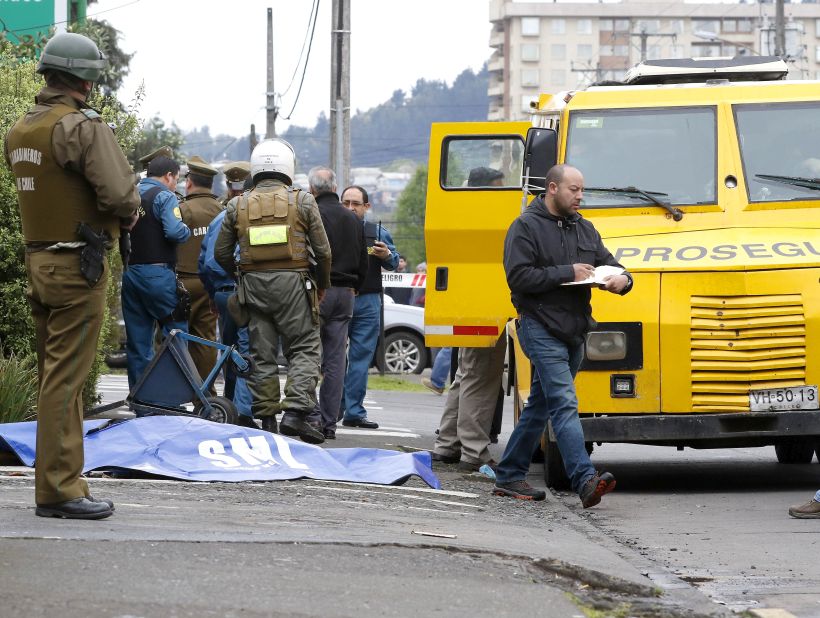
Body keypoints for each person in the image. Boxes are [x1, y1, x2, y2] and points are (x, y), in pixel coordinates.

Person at [3, 32, 140, 519]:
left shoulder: (21, 129)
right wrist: (131, 208)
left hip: (38, 262)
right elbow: (121, 195)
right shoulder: (81, 127)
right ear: (85, 79)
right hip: (77, 266)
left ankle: (65, 480)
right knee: (66, 379)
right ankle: (59, 489)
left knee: (53, 376)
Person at [493, 164, 633, 508]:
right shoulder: (525, 226)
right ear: (552, 188)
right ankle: (584, 480)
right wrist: (565, 272)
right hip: (538, 325)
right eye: (574, 189)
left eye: (583, 190)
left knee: (540, 405)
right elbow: (519, 278)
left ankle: (510, 473)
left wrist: (623, 280)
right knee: (564, 403)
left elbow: (610, 264)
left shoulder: (584, 228)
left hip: (575, 329)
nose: (580, 196)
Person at [215, 138, 331, 444]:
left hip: (252, 286)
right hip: (295, 285)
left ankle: (267, 418)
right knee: (305, 346)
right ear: (287, 167)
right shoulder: (303, 201)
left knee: (261, 353)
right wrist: (322, 285)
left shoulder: (236, 205)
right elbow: (324, 252)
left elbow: (221, 254)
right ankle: (295, 412)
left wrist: (240, 277)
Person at [429, 166, 508, 471]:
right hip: (486, 306)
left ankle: (448, 443)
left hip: (466, 304)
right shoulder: (489, 218)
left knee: (465, 375)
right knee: (481, 376)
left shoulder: (460, 212)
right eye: (500, 187)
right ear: (487, 189)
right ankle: (474, 451)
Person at [306, 166, 368, 440]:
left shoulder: (310, 213)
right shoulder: (354, 219)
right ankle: (330, 423)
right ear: (334, 188)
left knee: (307, 354)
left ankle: (310, 416)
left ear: (312, 189)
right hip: (345, 294)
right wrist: (356, 287)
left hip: (316, 291)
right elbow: (363, 261)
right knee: (335, 361)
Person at [122, 155, 191, 390]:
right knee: (176, 335)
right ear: (169, 176)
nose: (175, 185)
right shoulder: (164, 196)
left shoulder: (131, 193)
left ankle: (142, 401)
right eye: (176, 180)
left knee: (138, 343)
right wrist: (186, 230)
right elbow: (174, 231)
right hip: (158, 275)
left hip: (131, 274)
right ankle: (173, 397)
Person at [341, 185, 399, 429]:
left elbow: (394, 262)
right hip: (338, 298)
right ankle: (330, 409)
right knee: (331, 358)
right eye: (346, 203)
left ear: (366, 207)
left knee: (360, 359)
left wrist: (386, 255)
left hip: (368, 302)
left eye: (356, 204)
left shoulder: (377, 232)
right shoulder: (328, 228)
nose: (351, 208)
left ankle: (353, 411)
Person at [198, 207, 255, 427]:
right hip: (244, 290)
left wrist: (213, 294)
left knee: (228, 349)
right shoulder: (255, 215)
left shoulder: (219, 218)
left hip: (222, 292)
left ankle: (227, 401)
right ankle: (241, 411)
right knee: (245, 350)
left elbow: (204, 262)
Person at [176, 156, 223, 387]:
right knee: (206, 339)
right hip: (209, 284)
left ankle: (171, 394)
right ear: (211, 184)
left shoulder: (180, 208)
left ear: (189, 182)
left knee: (173, 337)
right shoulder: (222, 210)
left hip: (181, 281)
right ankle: (205, 393)